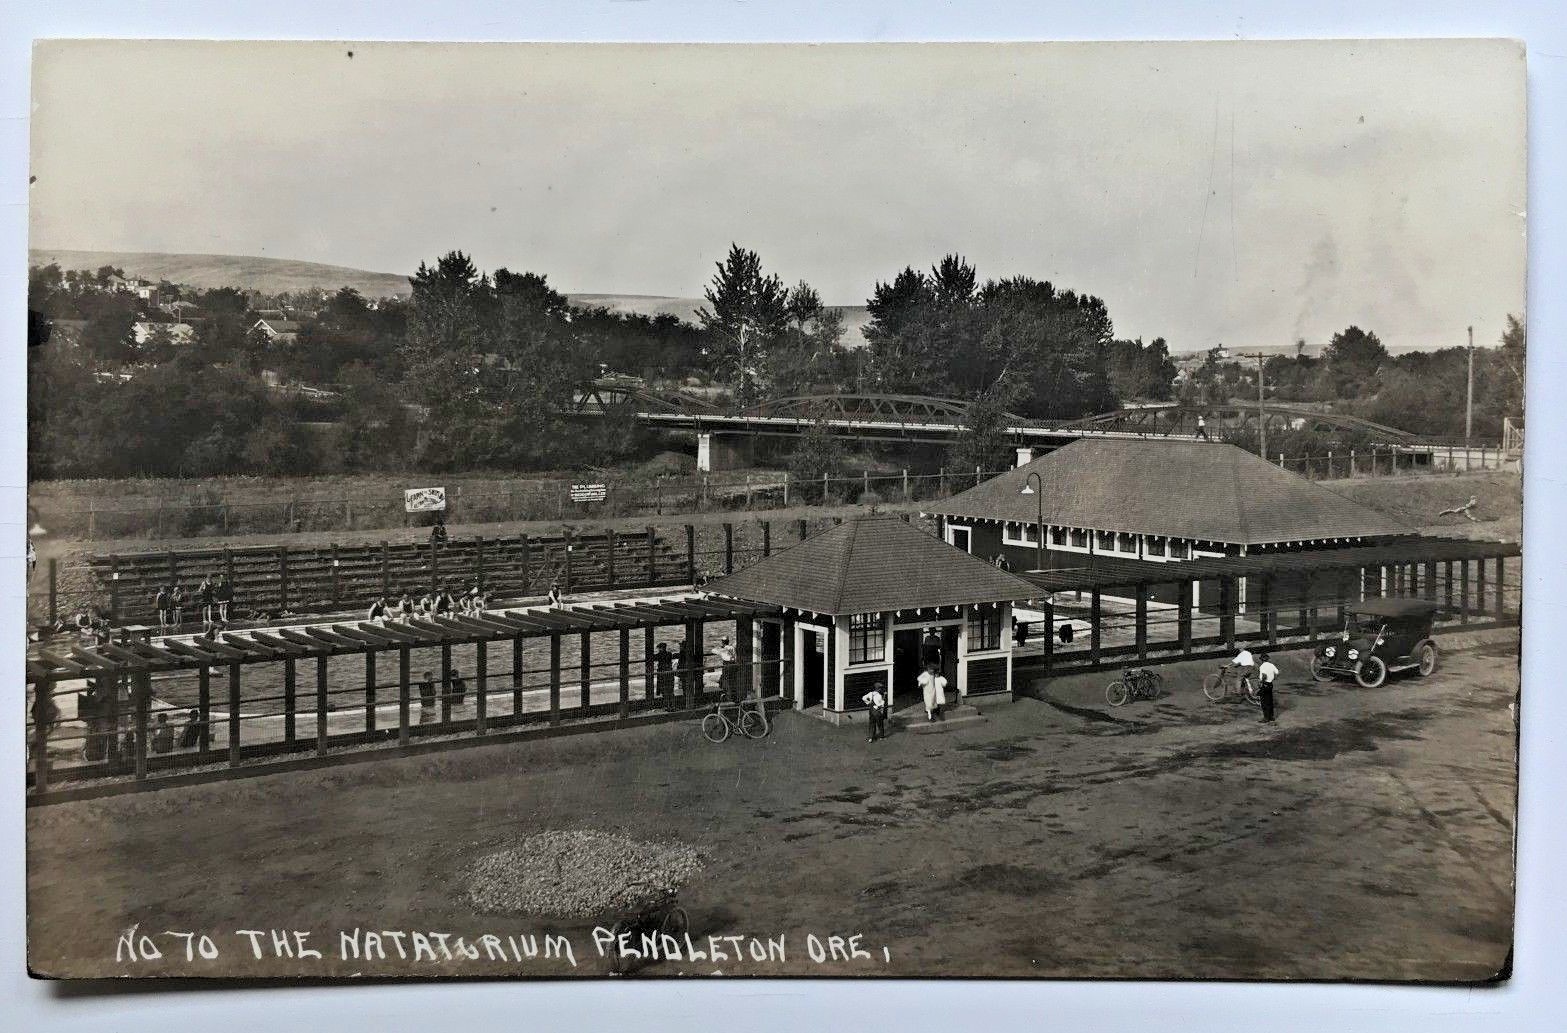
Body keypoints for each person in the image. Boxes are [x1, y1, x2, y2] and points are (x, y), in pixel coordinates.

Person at [1257, 652, 1279, 723]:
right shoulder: (1271, 665)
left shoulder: (1262, 666)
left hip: (1264, 684)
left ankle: (1266, 718)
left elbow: (1264, 676)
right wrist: (1273, 678)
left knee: (1264, 702)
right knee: (1270, 700)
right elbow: (1277, 672)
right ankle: (1271, 716)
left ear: (1262, 660)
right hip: (1270, 684)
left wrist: (1261, 682)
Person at [715, 636, 739, 701]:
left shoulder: (722, 649)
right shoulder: (732, 648)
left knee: (727, 681)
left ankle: (729, 697)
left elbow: (714, 651)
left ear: (722, 642)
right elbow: (735, 656)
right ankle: (733, 696)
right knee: (732, 680)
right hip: (733, 664)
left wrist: (720, 648)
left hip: (726, 665)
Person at [654, 642, 675, 709]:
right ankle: (672, 706)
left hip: (662, 675)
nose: (658, 650)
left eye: (659, 648)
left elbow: (652, 657)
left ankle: (667, 706)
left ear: (661, 648)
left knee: (664, 691)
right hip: (669, 674)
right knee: (670, 691)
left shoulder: (659, 655)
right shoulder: (669, 654)